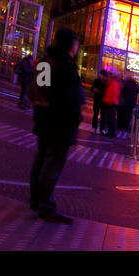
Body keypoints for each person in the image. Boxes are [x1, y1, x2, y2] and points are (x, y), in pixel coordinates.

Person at [28, 28, 84, 223]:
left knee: (41, 158)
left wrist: (39, 113)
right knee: (53, 163)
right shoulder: (66, 66)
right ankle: (46, 205)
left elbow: (39, 91)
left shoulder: (46, 61)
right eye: (76, 43)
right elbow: (68, 98)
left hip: (44, 119)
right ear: (71, 45)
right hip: (60, 123)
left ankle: (36, 199)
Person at [100, 71, 121, 136]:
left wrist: (110, 101)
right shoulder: (112, 82)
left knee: (111, 118)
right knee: (110, 118)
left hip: (111, 103)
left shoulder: (113, 83)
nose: (108, 76)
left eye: (109, 75)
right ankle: (111, 132)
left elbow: (114, 93)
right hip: (111, 102)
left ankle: (112, 132)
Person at [91, 69, 106, 135]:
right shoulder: (97, 80)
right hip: (97, 100)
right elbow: (92, 88)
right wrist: (94, 89)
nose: (102, 76)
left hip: (103, 101)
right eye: (101, 75)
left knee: (103, 116)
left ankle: (101, 129)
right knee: (95, 114)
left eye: (103, 75)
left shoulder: (106, 82)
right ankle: (94, 128)